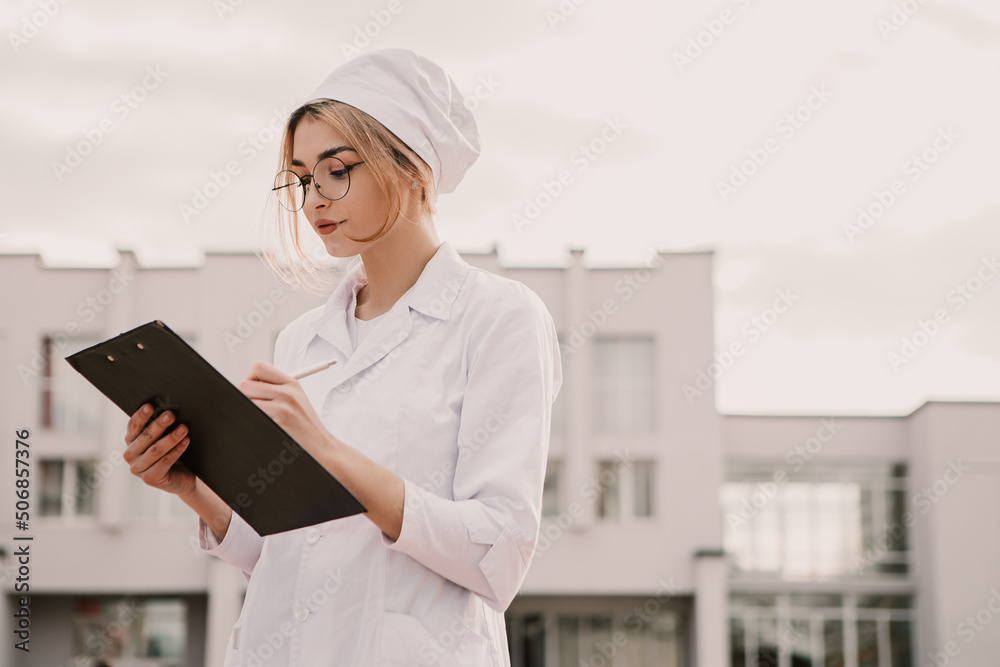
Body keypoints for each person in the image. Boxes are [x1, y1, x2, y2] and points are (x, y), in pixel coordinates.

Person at [122, 48, 562, 666]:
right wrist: (192, 484)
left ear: (415, 170)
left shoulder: (498, 318)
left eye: (337, 170)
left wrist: (329, 453)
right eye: (303, 178)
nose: (314, 200)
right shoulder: (303, 339)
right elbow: (288, 549)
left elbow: (498, 554)